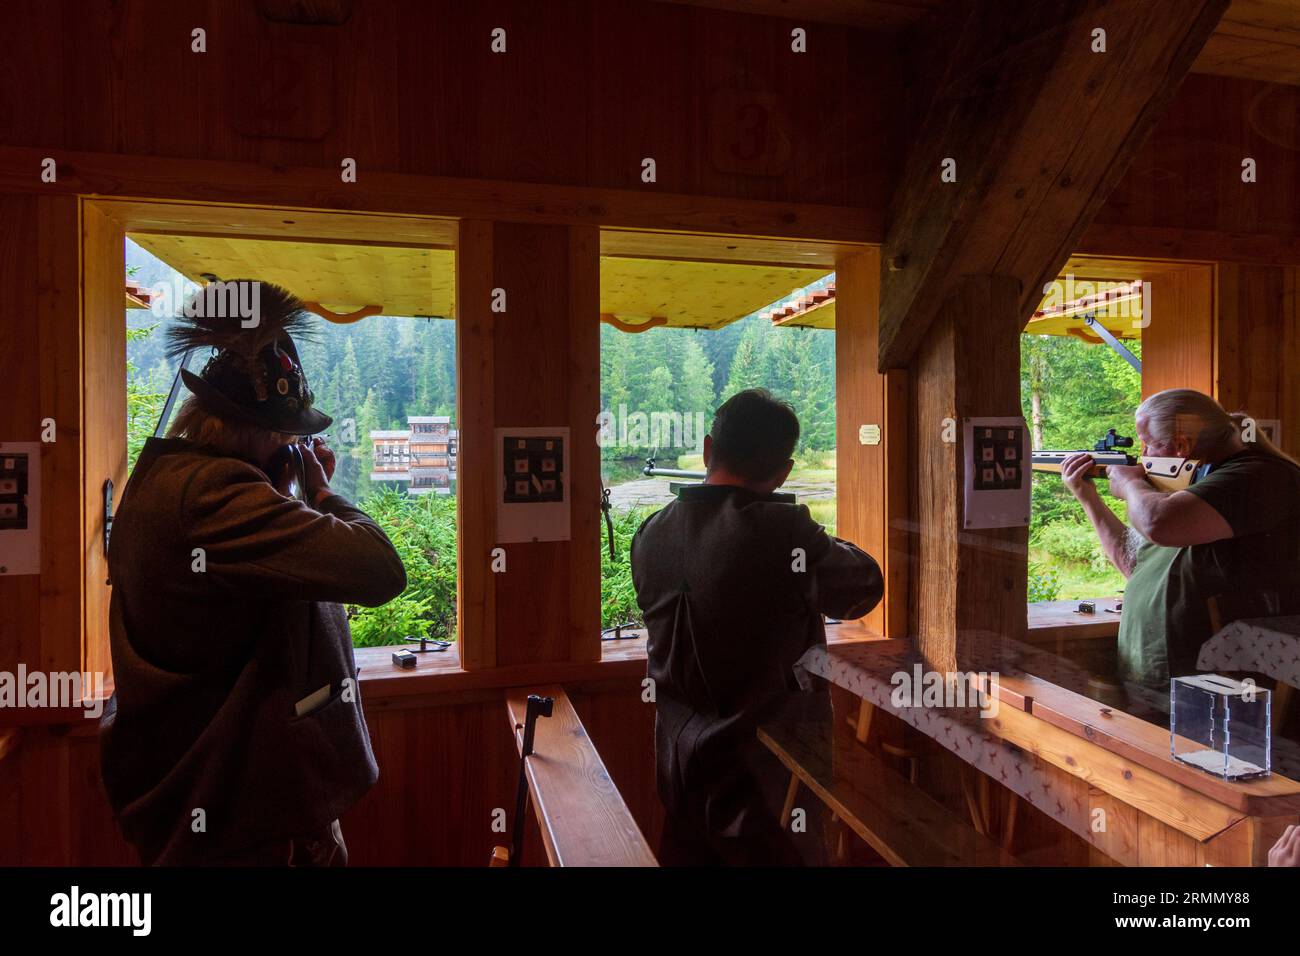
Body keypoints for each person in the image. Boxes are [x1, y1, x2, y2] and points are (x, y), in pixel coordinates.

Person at [100, 280, 407, 866]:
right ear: (263, 435)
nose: (293, 447)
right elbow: (378, 568)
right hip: (242, 814)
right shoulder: (214, 495)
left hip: (233, 806)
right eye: (289, 438)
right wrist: (321, 492)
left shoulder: (175, 482)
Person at [630, 389, 883, 866]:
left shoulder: (651, 533)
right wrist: (802, 526)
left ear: (708, 449)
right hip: (769, 785)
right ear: (784, 472)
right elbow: (863, 587)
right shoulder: (781, 531)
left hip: (677, 770)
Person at [1061, 388, 1300, 693]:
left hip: (1225, 683)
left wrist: (1130, 483)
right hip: (1169, 675)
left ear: (1181, 445)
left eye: (1148, 445)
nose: (1143, 456)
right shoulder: (1192, 485)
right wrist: (1088, 498)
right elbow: (1137, 568)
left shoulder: (1258, 476)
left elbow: (1157, 523)